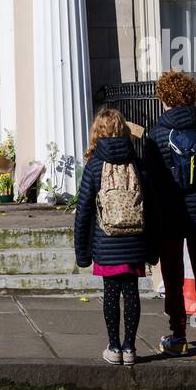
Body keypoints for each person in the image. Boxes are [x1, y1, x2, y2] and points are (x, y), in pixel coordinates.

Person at [143, 70, 196, 357]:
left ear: (163, 98)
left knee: (173, 274)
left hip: (169, 211)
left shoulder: (155, 134)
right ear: (191, 97)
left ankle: (178, 335)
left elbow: (149, 182)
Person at [74, 107, 151, 365]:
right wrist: (152, 247)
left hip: (107, 241)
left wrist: (82, 252)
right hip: (134, 241)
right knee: (131, 293)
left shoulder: (95, 166)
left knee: (111, 293)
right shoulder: (137, 163)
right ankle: (130, 347)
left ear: (97, 132)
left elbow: (84, 211)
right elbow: (151, 205)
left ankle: (113, 346)